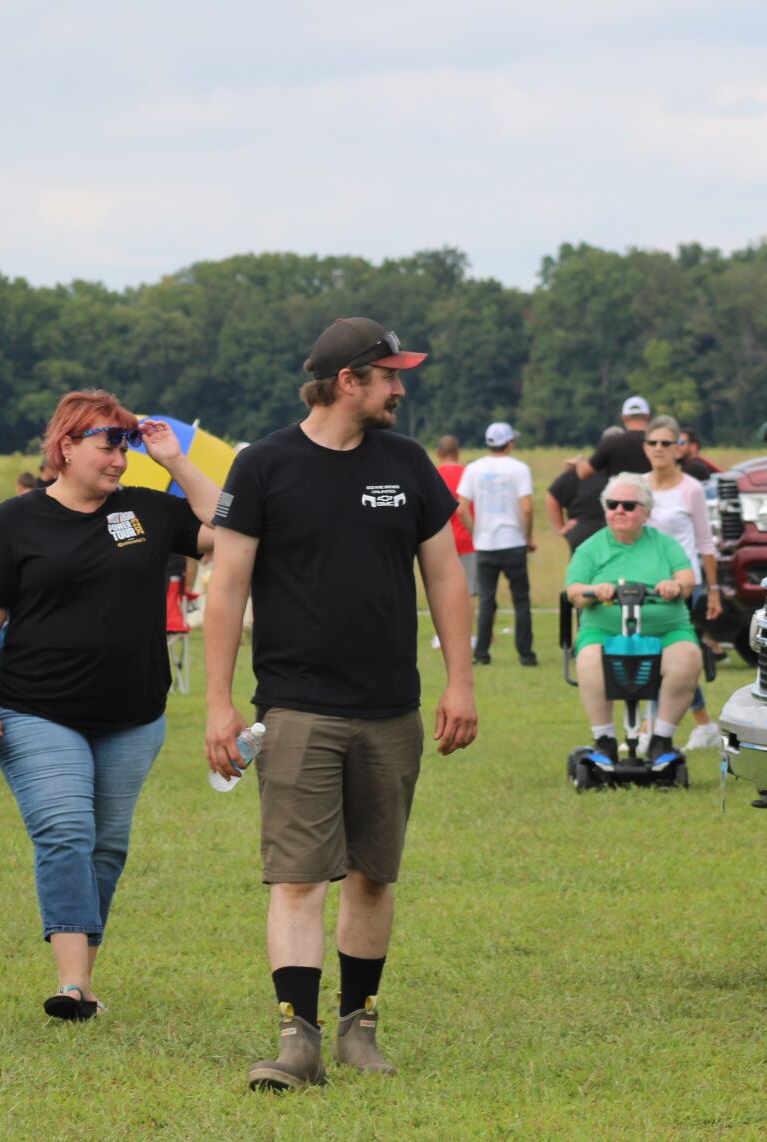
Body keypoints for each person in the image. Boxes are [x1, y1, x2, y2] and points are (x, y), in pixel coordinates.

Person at [203, 316, 478, 1090]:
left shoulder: (407, 462)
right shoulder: (263, 466)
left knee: (373, 875)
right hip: (296, 708)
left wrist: (460, 682)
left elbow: (445, 575)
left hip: (392, 707)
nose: (400, 390)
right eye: (389, 376)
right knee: (297, 878)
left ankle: (360, 1029)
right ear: (347, 381)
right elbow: (226, 587)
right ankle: (298, 1042)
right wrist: (218, 703)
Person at [0, 392, 219, 1022]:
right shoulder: (16, 520)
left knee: (106, 845)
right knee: (66, 830)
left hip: (133, 717)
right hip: (37, 710)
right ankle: (72, 985)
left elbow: (228, 526)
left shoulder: (147, 510)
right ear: (67, 446)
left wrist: (174, 460)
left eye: (126, 448)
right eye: (108, 446)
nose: (120, 461)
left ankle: (84, 980)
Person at [563, 472, 702, 766]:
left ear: (646, 512)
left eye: (628, 505)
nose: (619, 511)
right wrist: (594, 591)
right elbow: (573, 592)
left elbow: (687, 579)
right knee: (589, 659)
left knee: (688, 656)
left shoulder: (665, 544)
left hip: (666, 631)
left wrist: (674, 586)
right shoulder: (590, 547)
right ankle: (604, 741)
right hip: (604, 631)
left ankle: (661, 740)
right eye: (612, 505)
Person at [641, 416, 722, 750]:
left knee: (664, 656)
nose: (659, 449)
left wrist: (713, 590)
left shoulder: (691, 489)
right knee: (654, 655)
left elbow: (705, 541)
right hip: (646, 585)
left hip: (684, 586)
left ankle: (649, 730)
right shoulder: (639, 487)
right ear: (645, 447)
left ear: (678, 448)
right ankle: (702, 723)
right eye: (653, 443)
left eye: (666, 443)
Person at [457, 421, 536, 667]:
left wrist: (476, 533)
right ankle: (525, 654)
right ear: (509, 443)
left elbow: (461, 508)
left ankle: (482, 653)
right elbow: (527, 508)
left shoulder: (473, 469)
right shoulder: (519, 468)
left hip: (485, 544)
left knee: (486, 601)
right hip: (513, 542)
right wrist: (527, 537)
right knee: (521, 600)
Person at [432, 435, 476, 649]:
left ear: (438, 453)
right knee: (468, 591)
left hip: (439, 542)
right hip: (468, 538)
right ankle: (470, 635)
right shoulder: (468, 474)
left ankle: (441, 636)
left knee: (440, 588)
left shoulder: (431, 474)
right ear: (458, 452)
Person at [546, 426, 621, 553]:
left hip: (612, 534)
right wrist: (561, 528)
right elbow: (553, 495)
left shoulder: (583, 468)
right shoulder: (582, 470)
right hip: (586, 535)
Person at [573, 395, 651, 482]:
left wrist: (579, 460)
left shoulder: (611, 442)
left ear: (623, 418)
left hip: (618, 490)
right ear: (648, 417)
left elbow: (584, 472)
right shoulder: (657, 443)